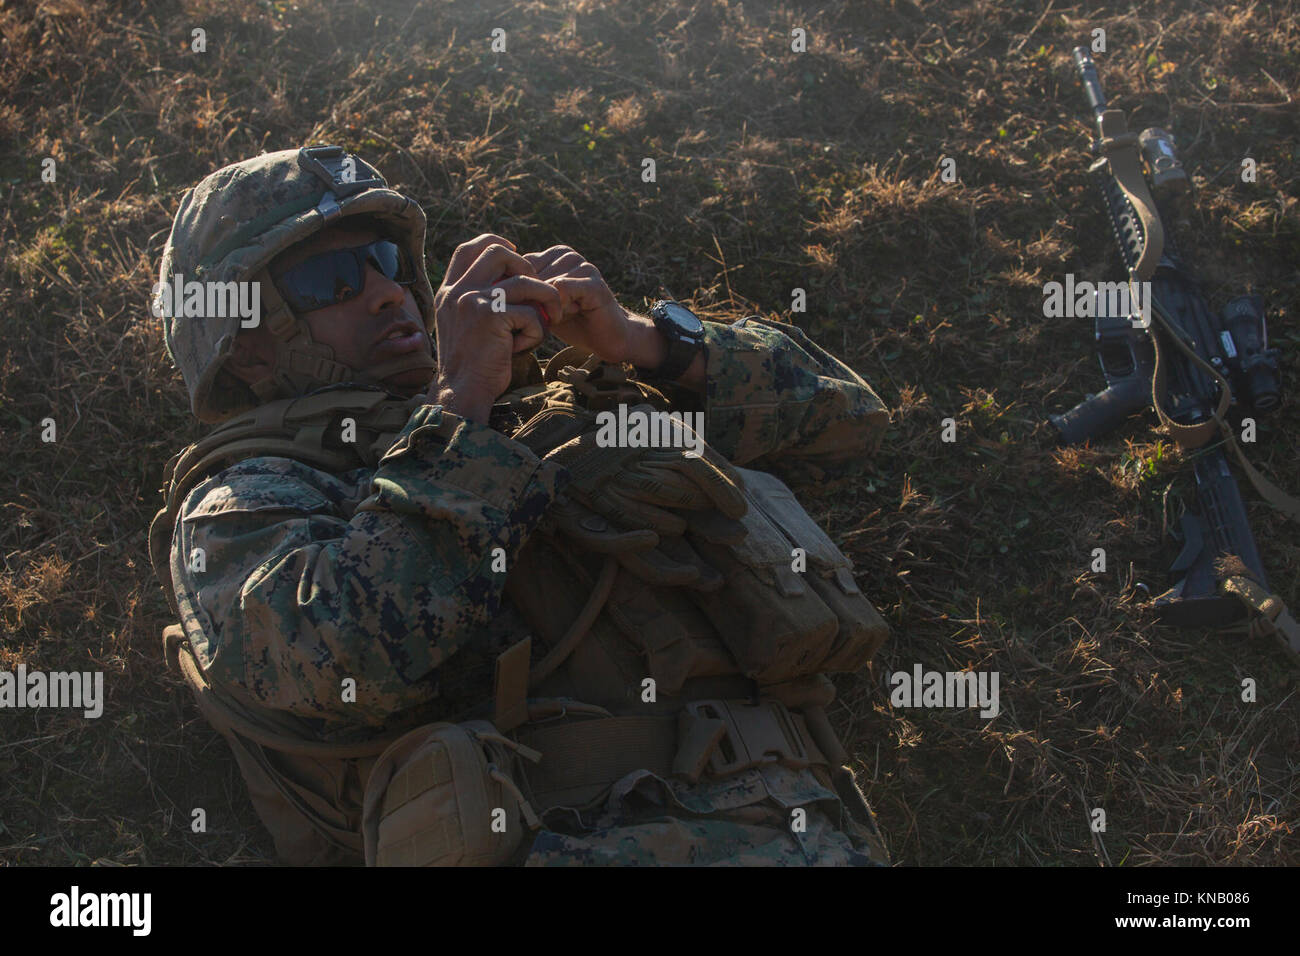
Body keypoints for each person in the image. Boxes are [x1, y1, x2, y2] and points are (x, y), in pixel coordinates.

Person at [149, 145, 894, 866]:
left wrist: (643, 343)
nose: (386, 291)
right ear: (246, 348)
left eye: (385, 263)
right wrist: (459, 405)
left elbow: (851, 420)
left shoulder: (550, 395)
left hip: (815, 831)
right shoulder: (248, 499)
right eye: (331, 280)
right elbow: (340, 661)